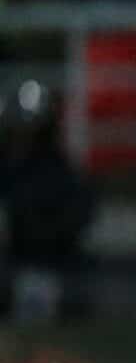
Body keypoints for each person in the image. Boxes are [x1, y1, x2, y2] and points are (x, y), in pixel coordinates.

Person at [0, 81, 97, 322]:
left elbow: (79, 217)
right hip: (13, 266)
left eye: (31, 131)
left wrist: (33, 228)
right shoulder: (7, 170)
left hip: (53, 266)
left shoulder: (61, 173)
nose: (22, 138)